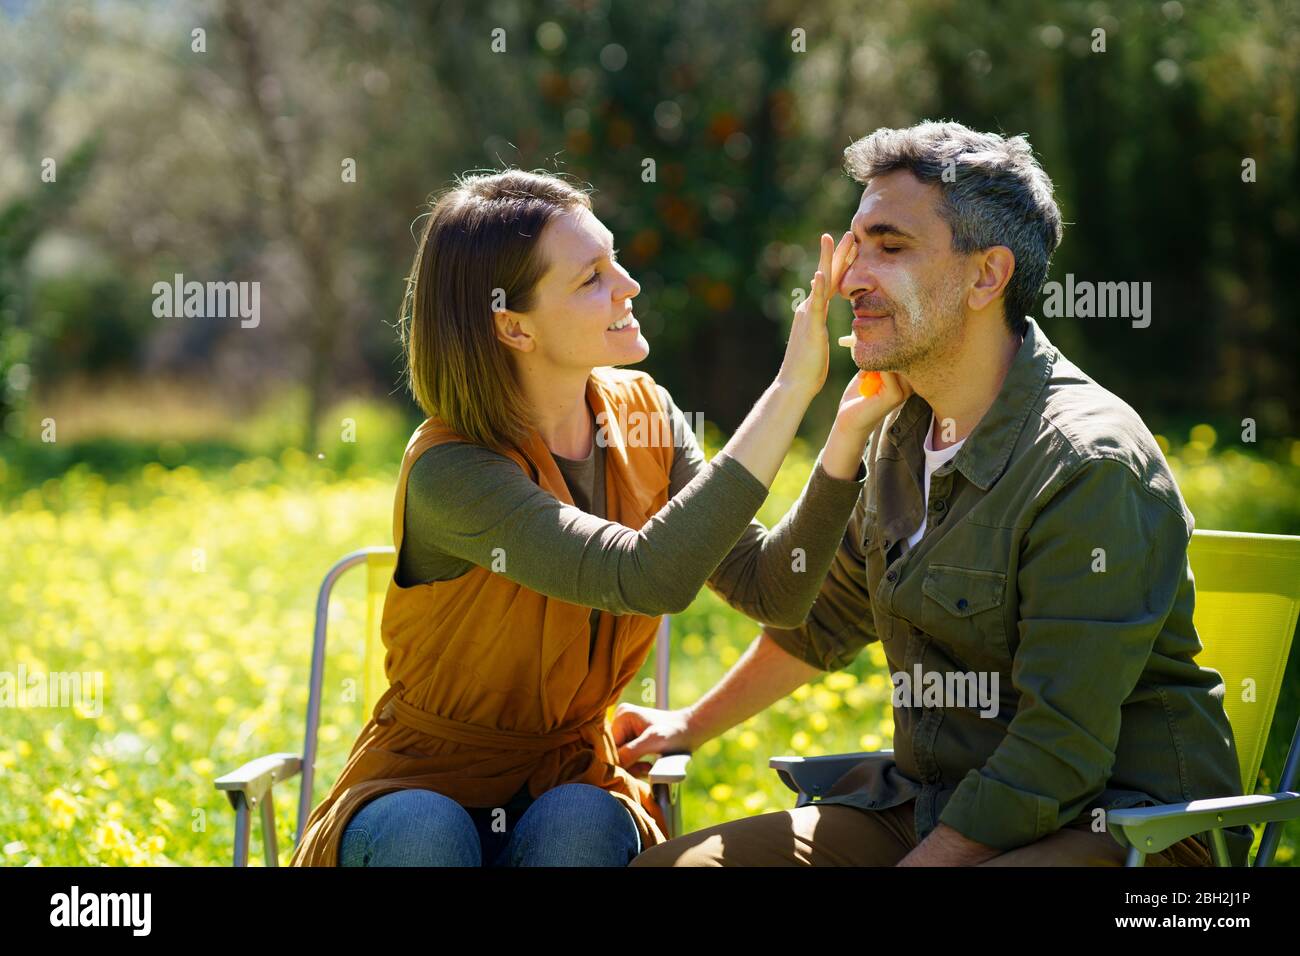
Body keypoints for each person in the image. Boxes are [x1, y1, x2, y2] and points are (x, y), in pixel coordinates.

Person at [625, 121, 1253, 867]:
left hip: (1118, 828)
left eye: (890, 248)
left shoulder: (1088, 465)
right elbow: (824, 619)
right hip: (932, 807)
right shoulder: (900, 431)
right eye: (855, 247)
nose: (852, 277)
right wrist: (688, 725)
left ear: (987, 276)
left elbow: (1061, 744)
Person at [288, 169, 910, 867]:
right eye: (590, 278)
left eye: (614, 259)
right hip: (419, 784)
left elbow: (776, 591)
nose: (628, 285)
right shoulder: (451, 469)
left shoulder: (645, 413)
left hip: (571, 775)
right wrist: (792, 388)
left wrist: (844, 440)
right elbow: (642, 577)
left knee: (581, 821)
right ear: (513, 326)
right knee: (427, 832)